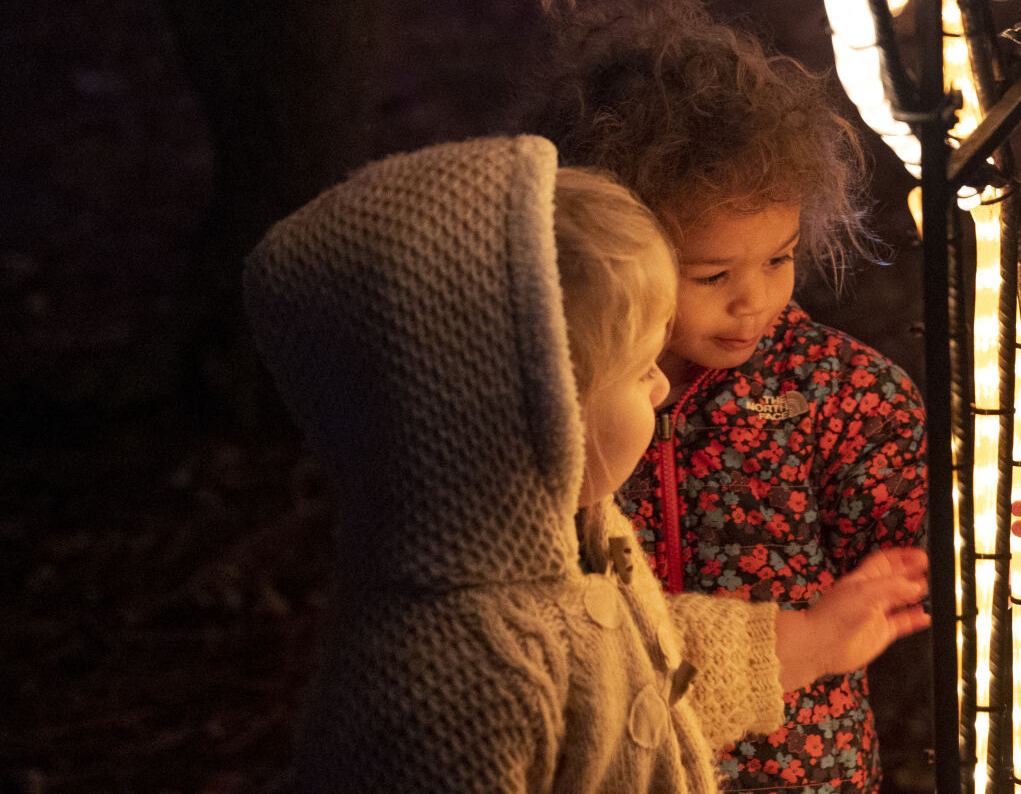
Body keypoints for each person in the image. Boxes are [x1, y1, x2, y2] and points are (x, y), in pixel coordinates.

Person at [243, 135, 931, 794]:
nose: (663, 389)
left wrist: (807, 641)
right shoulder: (444, 683)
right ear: (523, 414)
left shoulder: (572, 548)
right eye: (638, 372)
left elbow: (635, 669)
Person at [519, 0, 1021, 794]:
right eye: (711, 275)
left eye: (778, 259)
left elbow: (915, 544)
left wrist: (1011, 536)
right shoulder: (560, 396)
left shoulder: (834, 389)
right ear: (612, 246)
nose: (754, 302)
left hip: (804, 771)